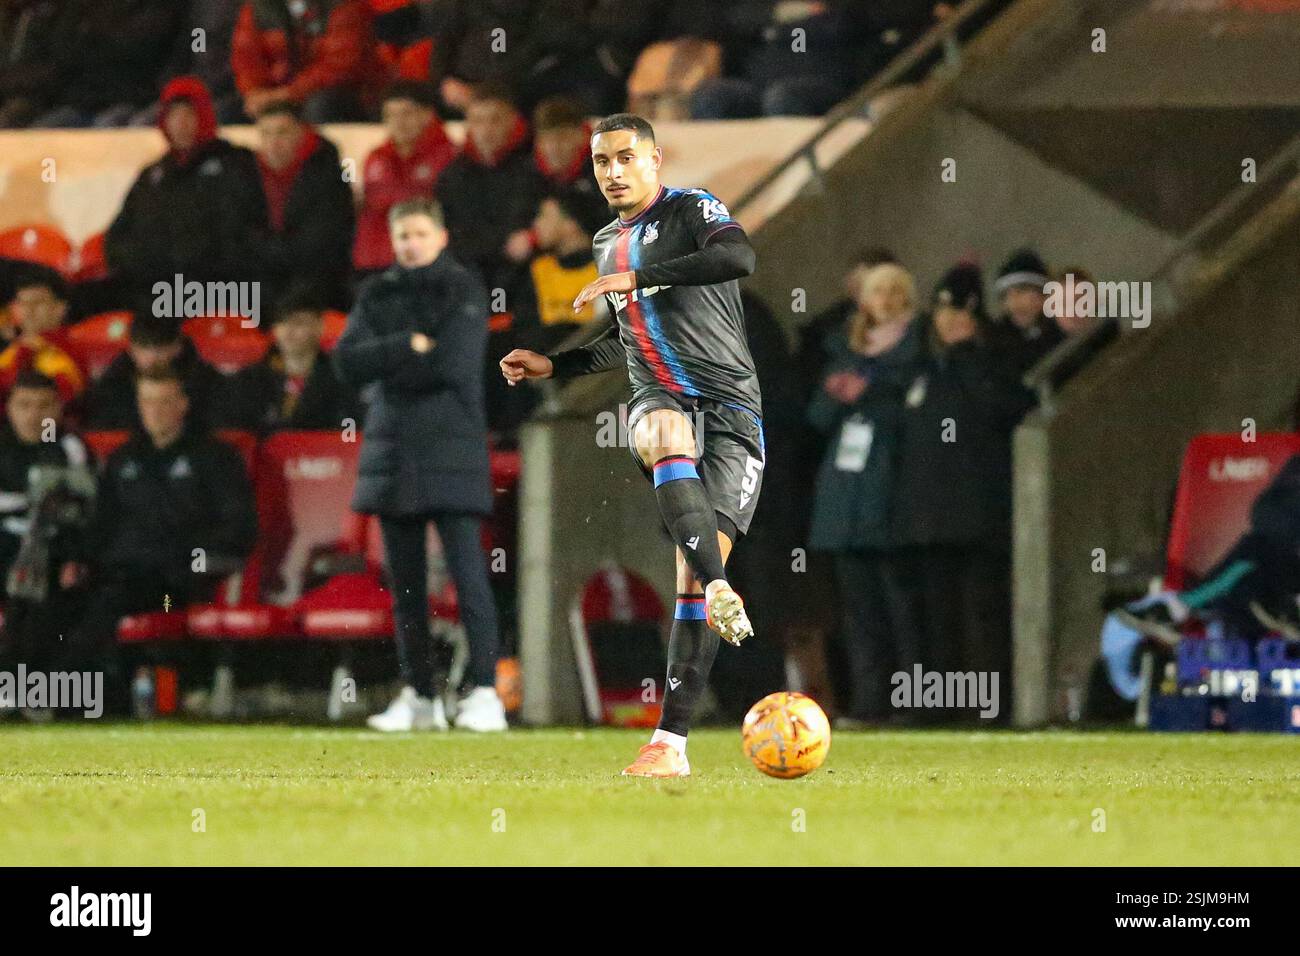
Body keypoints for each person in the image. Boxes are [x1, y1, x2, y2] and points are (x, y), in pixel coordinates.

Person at [499, 113, 761, 777]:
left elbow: (739, 257)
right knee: (657, 429)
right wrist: (555, 365)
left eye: (624, 158)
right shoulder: (604, 242)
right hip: (661, 397)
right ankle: (720, 595)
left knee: (688, 579)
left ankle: (672, 742)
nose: (612, 173)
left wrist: (642, 279)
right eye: (601, 163)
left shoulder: (692, 208)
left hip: (731, 409)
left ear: (654, 159)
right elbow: (630, 338)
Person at [333, 197, 506, 733]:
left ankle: (483, 693)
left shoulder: (463, 288)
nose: (410, 244)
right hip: (393, 451)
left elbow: (453, 364)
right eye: (402, 234)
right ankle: (421, 695)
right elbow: (344, 361)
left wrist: (388, 360)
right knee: (404, 584)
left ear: (441, 236)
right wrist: (408, 345)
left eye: (419, 233)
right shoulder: (377, 291)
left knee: (467, 574)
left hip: (452, 449)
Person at [65, 365, 257, 713]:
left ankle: (93, 705)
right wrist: (77, 560)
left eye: (164, 402)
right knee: (64, 597)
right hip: (117, 575)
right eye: (147, 402)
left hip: (174, 587)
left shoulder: (215, 458)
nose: (154, 411)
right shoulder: (124, 459)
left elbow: (239, 529)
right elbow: (100, 527)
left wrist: (185, 557)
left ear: (183, 403)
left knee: (108, 605)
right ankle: (39, 697)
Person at [889, 264, 1028, 722]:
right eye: (942, 313)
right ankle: (940, 706)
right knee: (938, 619)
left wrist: (970, 355)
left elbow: (1003, 409)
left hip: (976, 518)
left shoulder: (990, 361)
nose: (949, 323)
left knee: (982, 618)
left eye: (958, 314)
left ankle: (989, 708)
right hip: (928, 521)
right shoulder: (924, 368)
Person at [807, 261, 924, 726]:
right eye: (878, 292)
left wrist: (872, 395)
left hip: (891, 500)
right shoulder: (844, 352)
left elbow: (917, 425)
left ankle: (913, 703)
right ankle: (869, 703)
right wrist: (837, 395)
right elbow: (815, 421)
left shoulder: (917, 354)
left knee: (902, 608)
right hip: (845, 503)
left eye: (896, 292)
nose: (887, 301)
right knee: (858, 612)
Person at [104, 76, 268, 304]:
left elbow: (239, 234)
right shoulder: (153, 174)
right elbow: (119, 236)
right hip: (151, 285)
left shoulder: (236, 164)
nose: (181, 123)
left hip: (217, 288)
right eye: (173, 115)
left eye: (189, 114)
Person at [0, 371, 93, 703]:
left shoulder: (69, 449)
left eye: (43, 406)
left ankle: (22, 690)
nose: (33, 415)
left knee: (41, 584)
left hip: (52, 551)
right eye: (23, 405)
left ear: (58, 410)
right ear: (9, 408)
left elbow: (85, 515)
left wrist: (75, 557)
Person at [438, 83, 545, 305]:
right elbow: (453, 235)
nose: (486, 129)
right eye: (478, 120)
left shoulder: (532, 169)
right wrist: (502, 245)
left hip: (522, 280)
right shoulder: (452, 175)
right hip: (467, 276)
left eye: (495, 119)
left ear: (511, 120)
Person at [254, 100, 355, 308]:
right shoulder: (246, 175)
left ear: (300, 133)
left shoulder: (329, 175)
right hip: (261, 275)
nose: (274, 142)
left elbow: (326, 237)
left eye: (282, 132)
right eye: (266, 134)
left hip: (316, 278)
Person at [352, 81, 458, 275]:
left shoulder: (448, 156)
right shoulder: (375, 157)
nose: (398, 122)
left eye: (406, 113)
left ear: (427, 115)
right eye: (391, 115)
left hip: (428, 263)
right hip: (373, 262)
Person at [223, 289, 359, 434]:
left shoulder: (342, 378)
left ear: (319, 326)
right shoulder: (250, 378)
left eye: (298, 323)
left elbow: (350, 430)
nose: (288, 330)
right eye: (281, 322)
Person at [230, 0, 385, 123]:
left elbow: (341, 64)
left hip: (345, 94)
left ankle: (320, 158)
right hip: (276, 94)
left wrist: (286, 94)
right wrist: (254, 92)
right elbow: (245, 57)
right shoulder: (258, 8)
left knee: (320, 106)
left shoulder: (343, 5)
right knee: (229, 111)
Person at [85, 314, 224, 432]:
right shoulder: (114, 381)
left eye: (159, 350)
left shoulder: (203, 379)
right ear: (131, 349)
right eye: (143, 349)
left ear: (177, 347)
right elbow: (101, 427)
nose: (151, 360)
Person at [0, 274, 83, 404]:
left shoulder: (72, 347)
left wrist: (25, 356)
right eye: (23, 303)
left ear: (60, 308)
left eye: (38, 303)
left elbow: (59, 399)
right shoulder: (14, 346)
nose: (29, 310)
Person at [987, 247, 1063, 382]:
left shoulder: (1066, 328)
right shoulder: (997, 347)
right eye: (1005, 296)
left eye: (1021, 291)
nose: (1013, 303)